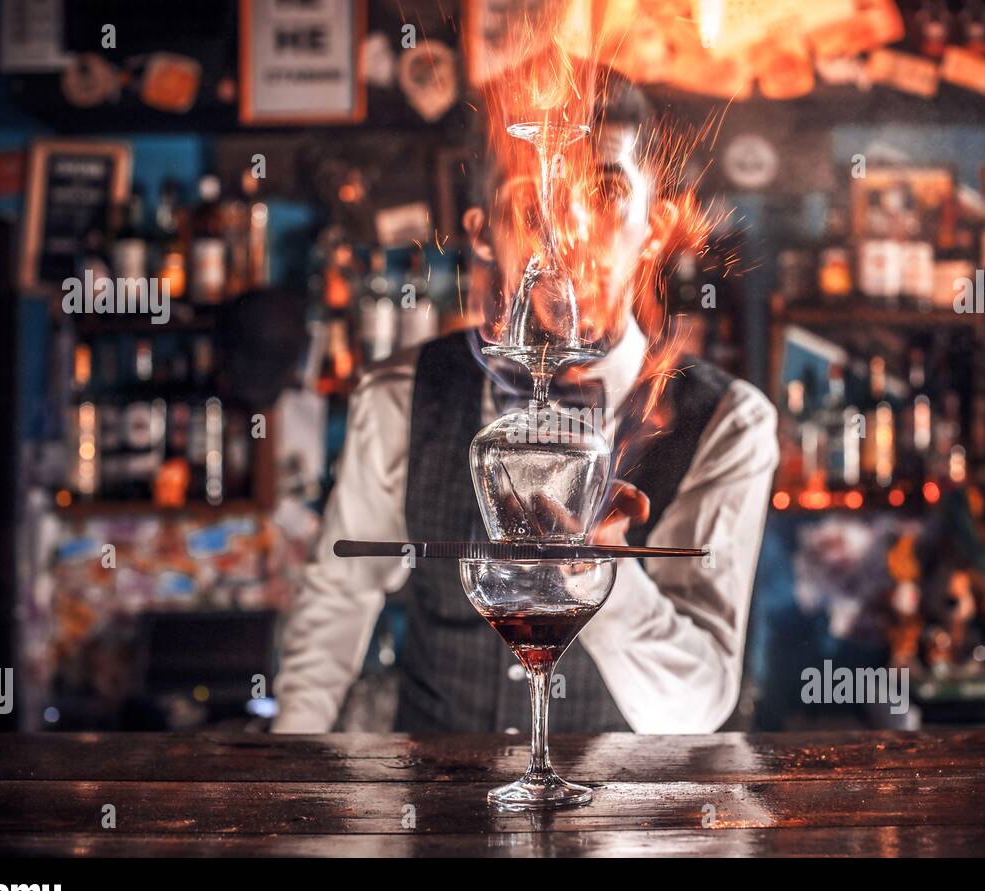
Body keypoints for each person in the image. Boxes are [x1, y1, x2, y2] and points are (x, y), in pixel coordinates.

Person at [272, 71, 777, 735]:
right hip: (438, 817)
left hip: (624, 828)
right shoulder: (401, 395)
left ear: (655, 226)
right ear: (481, 233)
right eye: (529, 200)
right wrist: (290, 765)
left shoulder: (730, 424)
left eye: (605, 190)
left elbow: (693, 708)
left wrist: (604, 575)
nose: (566, 233)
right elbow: (339, 595)